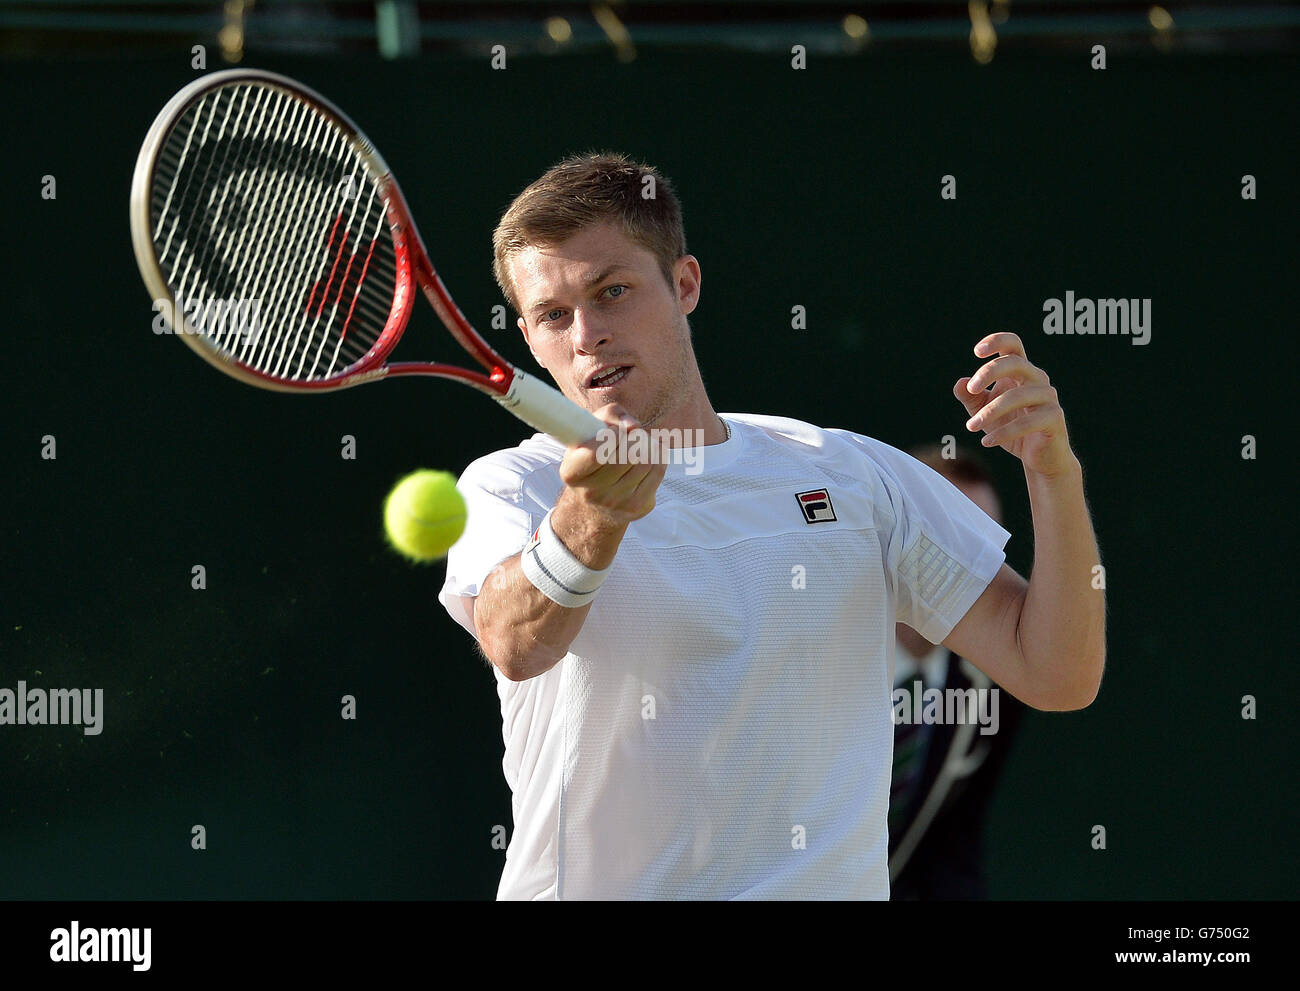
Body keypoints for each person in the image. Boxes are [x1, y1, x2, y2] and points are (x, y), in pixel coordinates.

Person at [437, 152, 1105, 900]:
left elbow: (1057, 672)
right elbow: (515, 642)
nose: (586, 333)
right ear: (528, 337)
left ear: (684, 284)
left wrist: (1055, 474)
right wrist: (590, 518)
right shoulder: (512, 485)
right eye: (553, 316)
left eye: (613, 291)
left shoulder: (853, 476)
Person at [887, 445, 1025, 900]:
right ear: (897, 536)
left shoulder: (997, 684)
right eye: (952, 540)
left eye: (987, 547)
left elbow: (951, 847)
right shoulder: (809, 648)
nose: (974, 567)